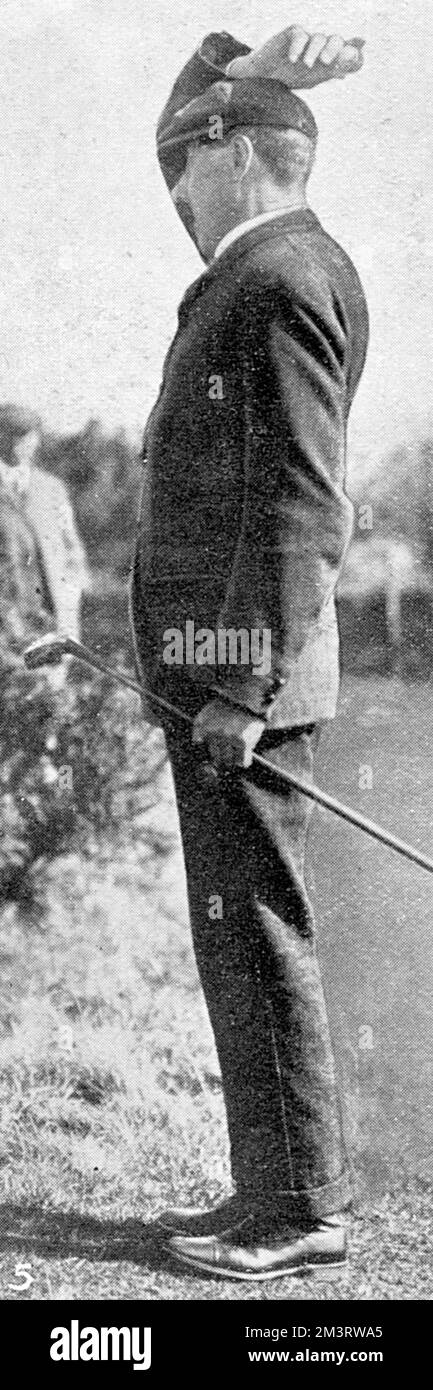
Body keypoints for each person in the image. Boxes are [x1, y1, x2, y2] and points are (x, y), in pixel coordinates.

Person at [131, 24, 369, 1280]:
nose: (173, 200)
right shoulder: (275, 262)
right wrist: (241, 51)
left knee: (257, 926)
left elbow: (296, 505)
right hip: (233, 674)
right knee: (236, 926)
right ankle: (267, 1187)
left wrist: (235, 682)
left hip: (244, 683)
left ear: (231, 152)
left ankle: (302, 1211)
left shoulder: (276, 275)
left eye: (182, 170)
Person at [0, 406, 90, 684]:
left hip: (51, 617)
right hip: (7, 619)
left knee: (51, 700)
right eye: (13, 436)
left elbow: (72, 548)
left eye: (28, 436)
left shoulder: (51, 489)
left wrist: (70, 601)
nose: (22, 444)